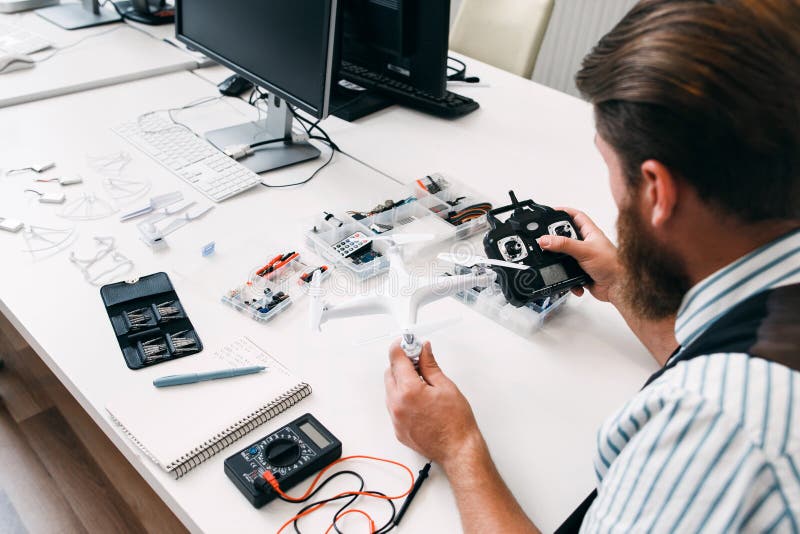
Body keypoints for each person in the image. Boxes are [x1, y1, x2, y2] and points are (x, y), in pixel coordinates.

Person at [383, 0, 800, 531]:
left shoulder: (719, 432)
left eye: (610, 167)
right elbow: (738, 342)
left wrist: (457, 449)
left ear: (657, 190)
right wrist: (626, 285)